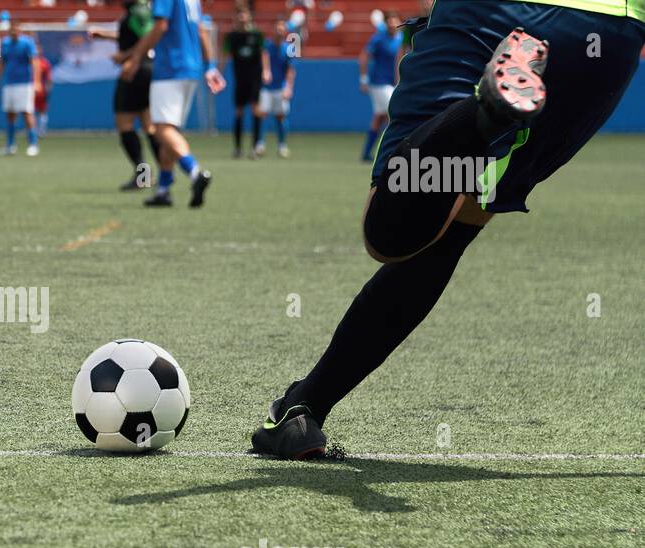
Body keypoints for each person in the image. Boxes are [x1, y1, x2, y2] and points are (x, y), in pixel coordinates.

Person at [250, 0, 645, 460]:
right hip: (610, 34)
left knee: (392, 229)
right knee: (451, 228)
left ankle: (486, 112)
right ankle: (305, 407)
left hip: (493, 15)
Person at [121, 0, 224, 208]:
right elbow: (201, 31)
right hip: (191, 69)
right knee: (170, 131)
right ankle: (163, 191)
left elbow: (160, 26)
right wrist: (210, 66)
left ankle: (195, 173)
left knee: (161, 129)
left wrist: (135, 58)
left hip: (170, 69)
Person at [89, 0, 165, 190]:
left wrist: (126, 57)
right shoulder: (139, 10)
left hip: (136, 70)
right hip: (146, 69)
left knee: (124, 123)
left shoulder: (137, 11)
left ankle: (145, 175)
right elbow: (137, 37)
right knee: (148, 126)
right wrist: (106, 36)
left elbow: (149, 37)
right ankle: (164, 174)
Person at [221, 6, 268, 159]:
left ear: (249, 16)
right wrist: (218, 74)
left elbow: (263, 53)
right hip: (239, 79)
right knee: (239, 112)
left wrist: (267, 70)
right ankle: (238, 148)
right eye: (239, 14)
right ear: (236, 17)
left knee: (256, 110)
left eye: (244, 14)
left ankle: (255, 147)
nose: (242, 17)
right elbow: (224, 55)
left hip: (254, 79)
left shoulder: (257, 34)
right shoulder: (232, 36)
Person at [358, 9, 403, 162]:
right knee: (395, 115)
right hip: (379, 84)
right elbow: (364, 56)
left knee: (378, 118)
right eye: (389, 22)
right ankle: (392, 154)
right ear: (385, 24)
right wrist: (363, 79)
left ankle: (366, 153)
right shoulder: (378, 39)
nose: (392, 24)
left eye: (395, 21)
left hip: (394, 83)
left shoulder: (402, 39)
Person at [0, 23, 42, 156]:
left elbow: (35, 62)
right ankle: (10, 145)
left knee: (26, 112)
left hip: (24, 83)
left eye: (16, 31)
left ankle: (33, 144)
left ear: (20, 31)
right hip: (10, 84)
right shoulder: (5, 43)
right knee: (10, 114)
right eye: (11, 31)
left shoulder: (27, 43)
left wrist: (36, 81)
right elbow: (2, 63)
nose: (14, 33)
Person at [255, 18, 296, 158]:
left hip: (280, 87)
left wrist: (288, 88)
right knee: (263, 114)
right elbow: (264, 57)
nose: (279, 30)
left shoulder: (289, 49)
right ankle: (260, 145)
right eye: (277, 28)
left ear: (285, 31)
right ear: (273, 30)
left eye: (282, 28)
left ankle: (282, 146)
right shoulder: (267, 45)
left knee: (280, 116)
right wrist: (266, 71)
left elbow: (291, 70)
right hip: (267, 88)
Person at [34, 53, 53, 137]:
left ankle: (41, 132)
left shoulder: (45, 63)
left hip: (41, 91)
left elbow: (49, 79)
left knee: (42, 111)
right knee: (30, 112)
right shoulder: (29, 62)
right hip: (30, 91)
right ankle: (33, 132)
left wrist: (48, 91)